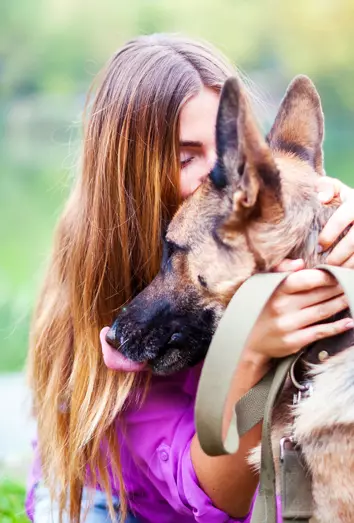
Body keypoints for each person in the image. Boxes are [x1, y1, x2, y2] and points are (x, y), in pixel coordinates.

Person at [25, 33, 354, 523]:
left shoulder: (252, 223)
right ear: (130, 172)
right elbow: (214, 495)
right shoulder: (103, 288)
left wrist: (334, 220)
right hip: (122, 496)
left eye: (230, 151)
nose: (217, 177)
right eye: (185, 157)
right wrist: (248, 346)